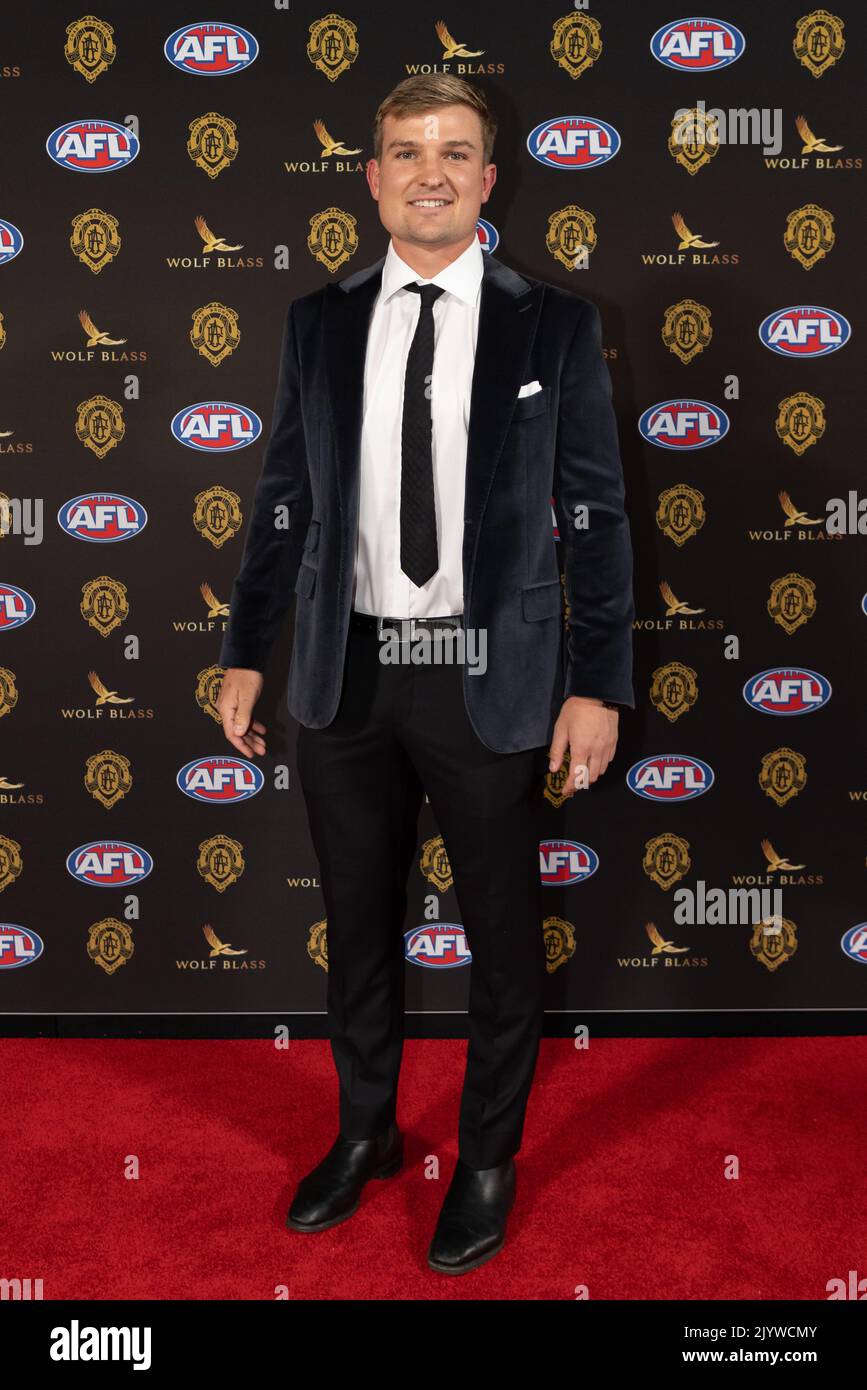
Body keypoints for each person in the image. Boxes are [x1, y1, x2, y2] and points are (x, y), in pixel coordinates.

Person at [217, 72, 634, 1275]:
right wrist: (246, 647)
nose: (432, 172)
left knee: (504, 938)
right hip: (348, 668)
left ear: (490, 179)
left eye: (457, 151)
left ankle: (488, 1157)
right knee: (359, 927)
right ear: (374, 175)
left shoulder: (553, 323)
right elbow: (283, 499)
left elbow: (598, 516)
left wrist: (596, 682)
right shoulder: (318, 321)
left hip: (487, 675)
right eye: (407, 151)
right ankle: (364, 1135)